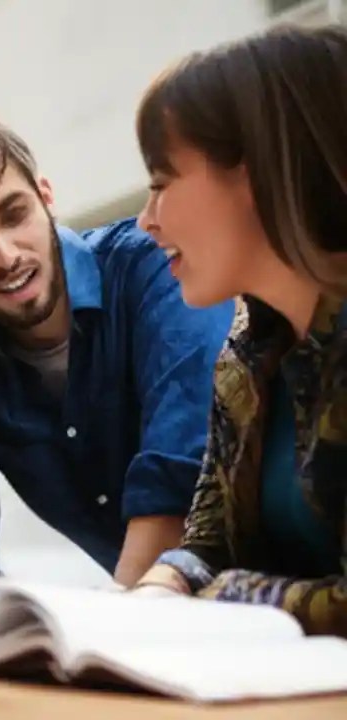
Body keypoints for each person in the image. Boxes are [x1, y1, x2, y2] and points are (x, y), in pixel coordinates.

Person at [0, 97, 235, 595]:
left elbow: (181, 468)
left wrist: (120, 621)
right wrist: (15, 613)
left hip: (285, 598)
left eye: (13, 214)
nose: (5, 256)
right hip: (148, 613)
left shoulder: (153, 268)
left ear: (45, 195)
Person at [130, 24, 347, 637]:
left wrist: (212, 597)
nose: (146, 221)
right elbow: (206, 546)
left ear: (253, 173)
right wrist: (152, 593)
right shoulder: (247, 358)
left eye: (160, 184)